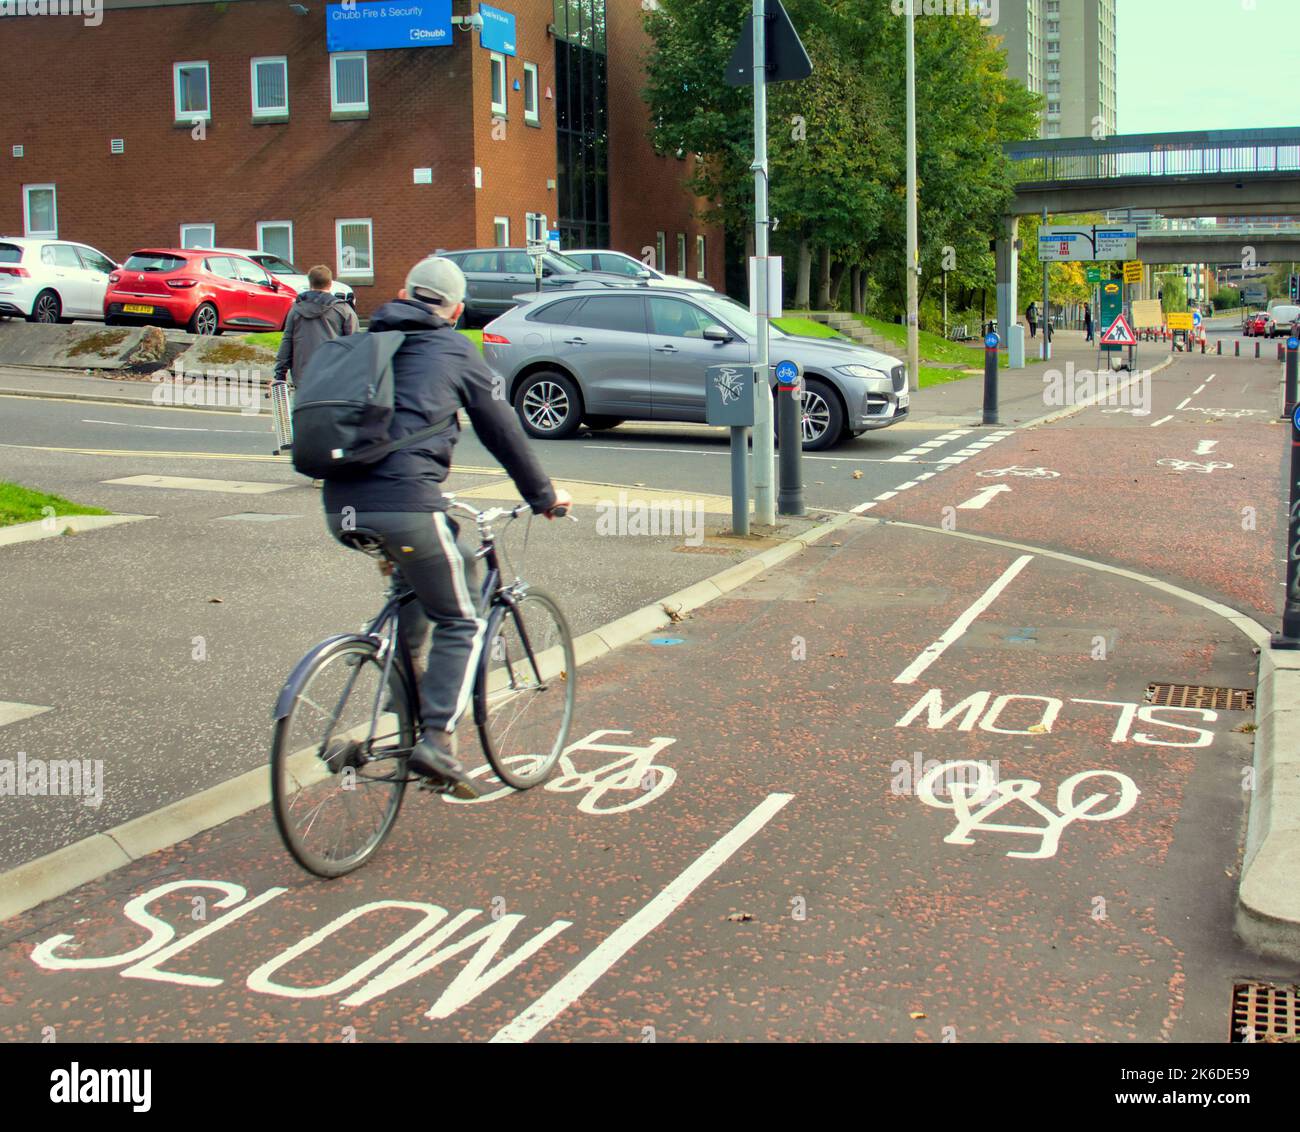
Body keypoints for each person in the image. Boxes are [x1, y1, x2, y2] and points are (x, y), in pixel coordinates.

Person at [322, 256, 570, 797]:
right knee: (461, 619)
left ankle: (402, 710)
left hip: (341, 504)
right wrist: (544, 496)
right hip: (407, 505)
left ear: (403, 292)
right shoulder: (455, 348)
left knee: (419, 587)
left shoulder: (368, 343)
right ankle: (436, 739)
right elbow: (502, 431)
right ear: (456, 311)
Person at [273, 265, 358, 385]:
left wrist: (280, 375)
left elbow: (287, 341)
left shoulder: (296, 309)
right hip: (333, 377)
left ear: (310, 283)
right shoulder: (343, 310)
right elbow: (353, 345)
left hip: (303, 378)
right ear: (330, 283)